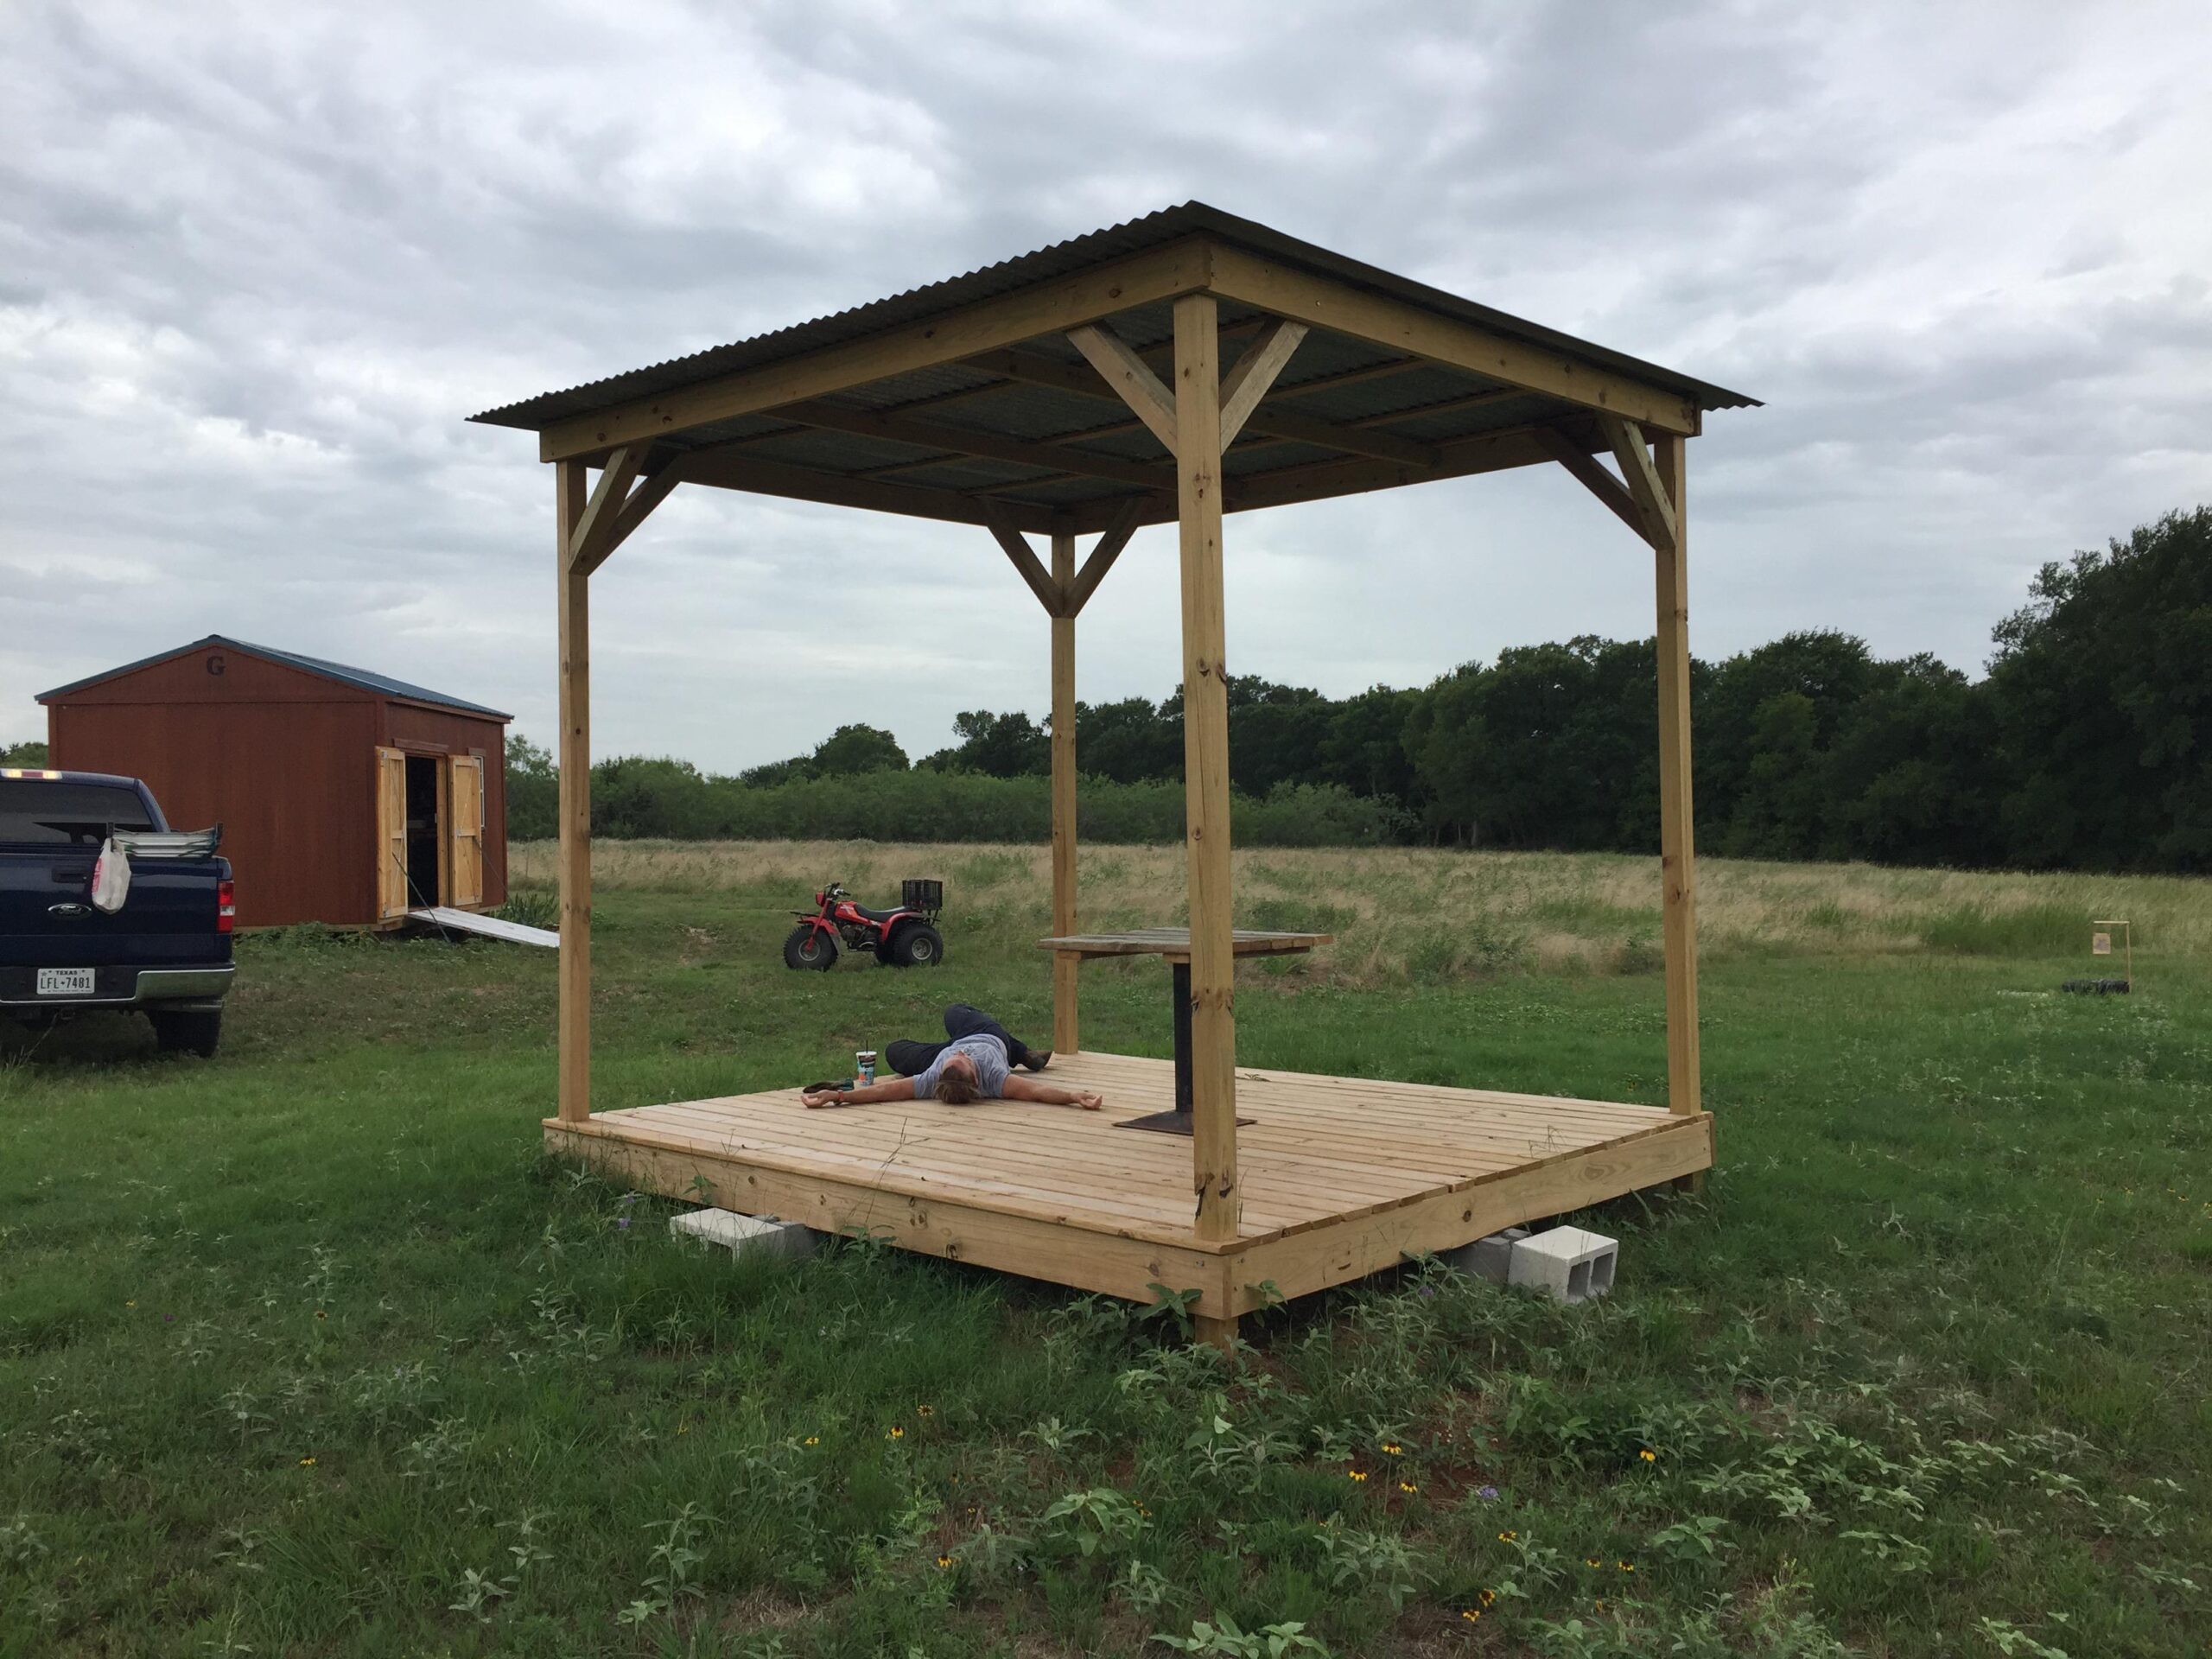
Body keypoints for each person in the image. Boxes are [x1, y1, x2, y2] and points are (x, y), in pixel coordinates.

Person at [802, 1002, 1102, 1111]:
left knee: (895, 1052)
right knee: (955, 1012)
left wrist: (838, 1097)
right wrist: (1074, 1096)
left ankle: (1021, 1051)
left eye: (955, 1058)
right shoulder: (996, 1079)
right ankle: (1020, 1051)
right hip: (986, 1034)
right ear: (975, 1074)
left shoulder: (934, 1076)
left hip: (943, 1050)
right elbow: (1037, 1093)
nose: (960, 1054)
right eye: (961, 1058)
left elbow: (884, 1092)